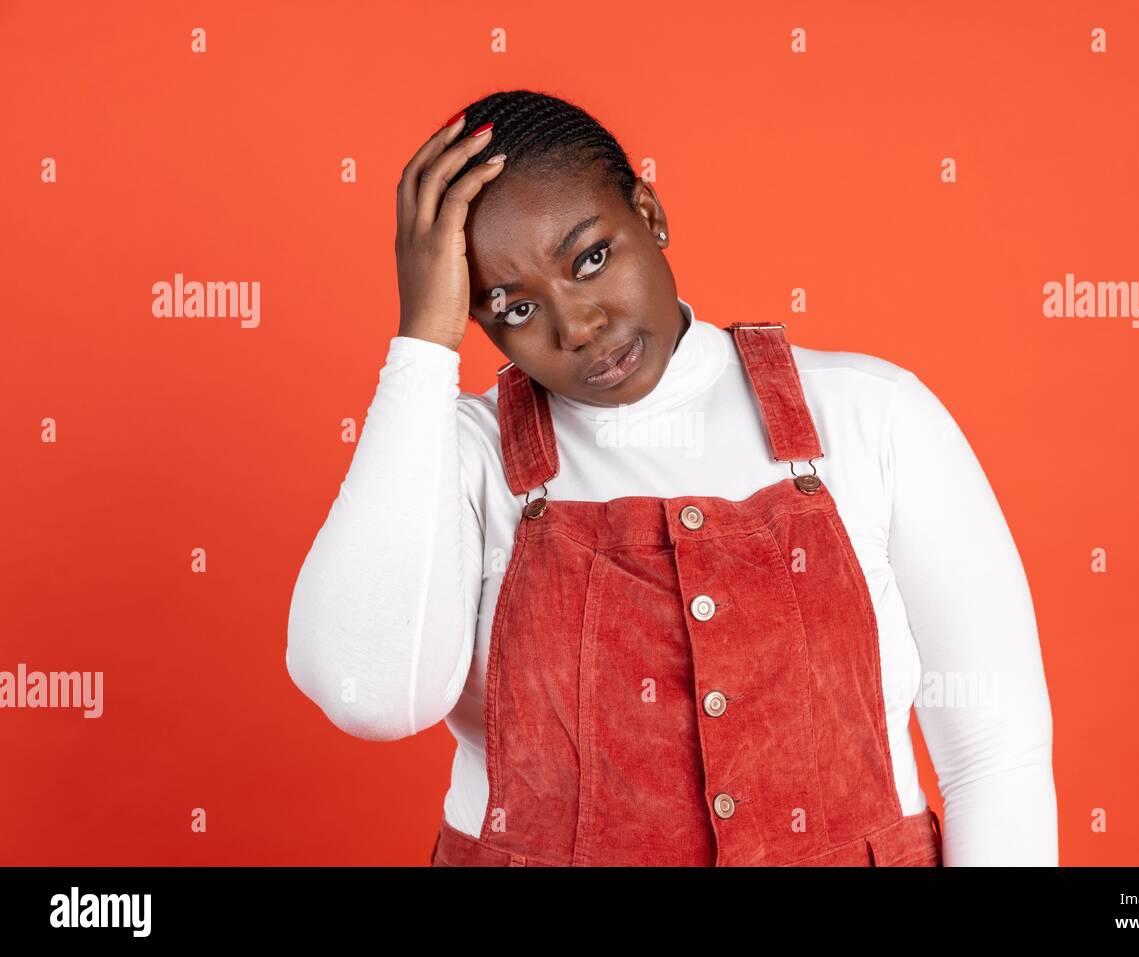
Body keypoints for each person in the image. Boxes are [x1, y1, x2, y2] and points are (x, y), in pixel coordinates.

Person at [285, 89, 1058, 866]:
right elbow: (370, 694)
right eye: (515, 308)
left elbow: (996, 755)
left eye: (590, 258)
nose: (578, 325)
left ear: (649, 216)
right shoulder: (461, 458)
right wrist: (422, 344)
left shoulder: (870, 416)